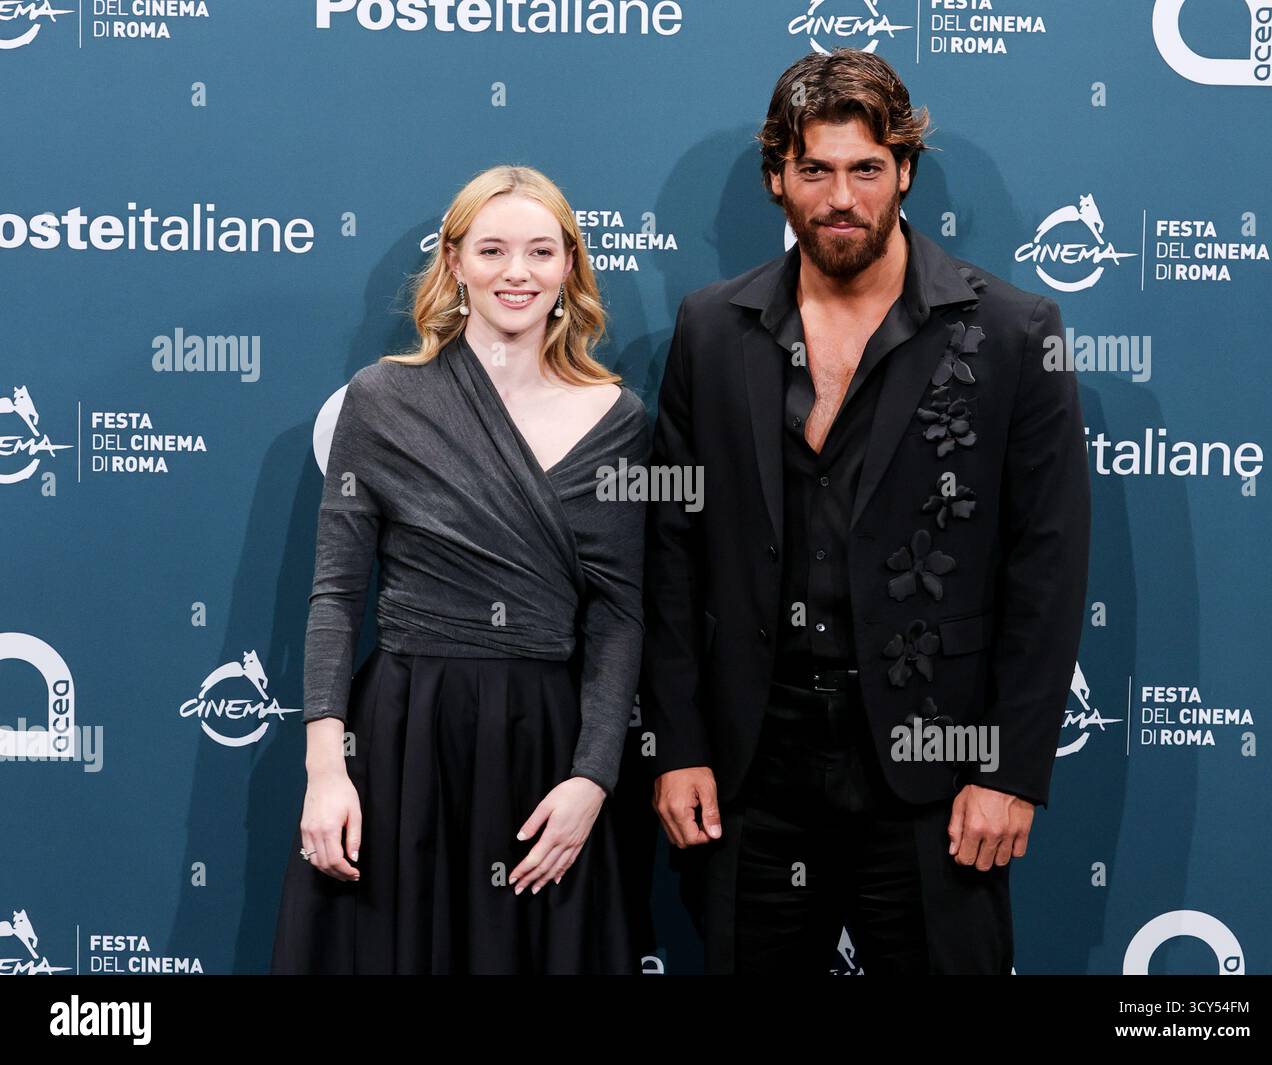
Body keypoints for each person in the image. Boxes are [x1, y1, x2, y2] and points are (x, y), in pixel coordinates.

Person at [640, 49, 1091, 974]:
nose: (841, 196)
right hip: (750, 769)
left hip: (935, 766)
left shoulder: (1012, 332)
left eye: (866, 169)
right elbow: (672, 554)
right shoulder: (710, 330)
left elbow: (1045, 570)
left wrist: (1008, 770)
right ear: (777, 178)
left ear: (904, 174)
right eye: (815, 170)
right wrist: (676, 744)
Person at [270, 164, 650, 974]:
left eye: (541, 251)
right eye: (494, 249)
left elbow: (617, 615)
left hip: (543, 741)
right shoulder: (380, 399)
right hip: (406, 736)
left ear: (569, 267)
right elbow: (337, 595)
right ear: (453, 262)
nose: (518, 272)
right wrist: (325, 769)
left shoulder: (619, 421)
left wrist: (593, 778)